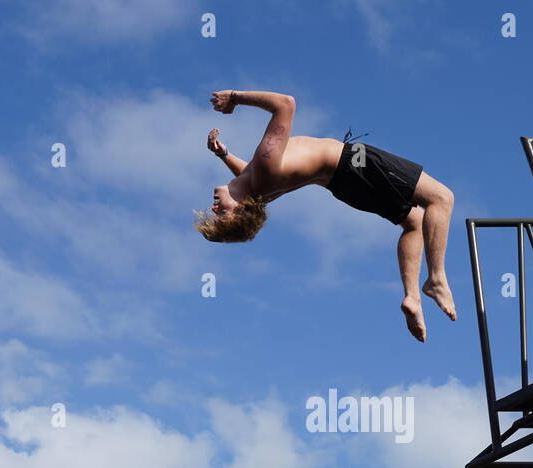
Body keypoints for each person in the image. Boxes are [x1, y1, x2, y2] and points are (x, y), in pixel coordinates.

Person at [196, 89, 457, 343]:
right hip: (355, 163)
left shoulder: (258, 184)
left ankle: (412, 297)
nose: (215, 209)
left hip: (343, 185)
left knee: (414, 222)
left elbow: (246, 173)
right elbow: (285, 104)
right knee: (441, 198)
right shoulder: (263, 170)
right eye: (224, 214)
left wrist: (224, 154)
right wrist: (234, 98)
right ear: (243, 207)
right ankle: (436, 278)